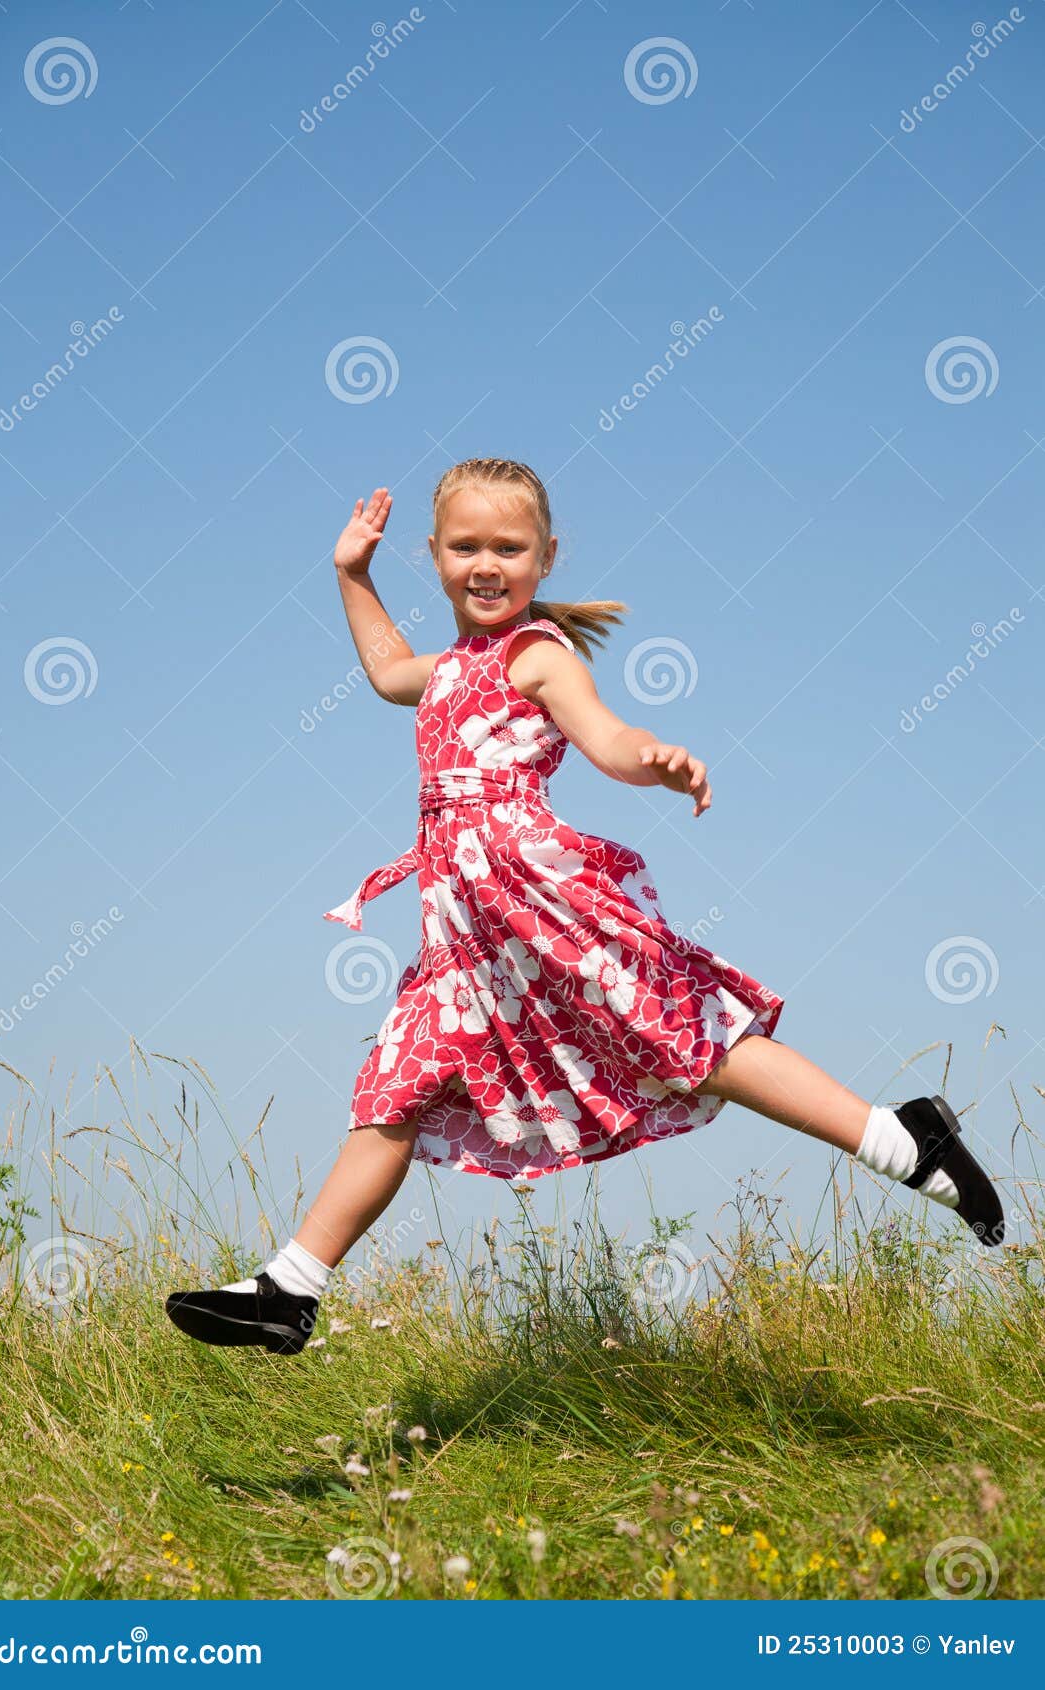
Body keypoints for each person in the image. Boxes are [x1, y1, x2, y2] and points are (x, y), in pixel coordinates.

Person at [166, 459, 1004, 1357]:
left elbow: (608, 738)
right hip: (465, 938)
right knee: (395, 1088)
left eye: (508, 548)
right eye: (465, 547)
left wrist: (657, 761)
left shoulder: (536, 655)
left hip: (542, 904)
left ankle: (899, 1140)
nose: (486, 565)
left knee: (684, 1038)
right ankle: (289, 1290)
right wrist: (351, 573)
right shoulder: (449, 668)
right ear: (434, 555)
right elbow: (385, 673)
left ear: (546, 556)